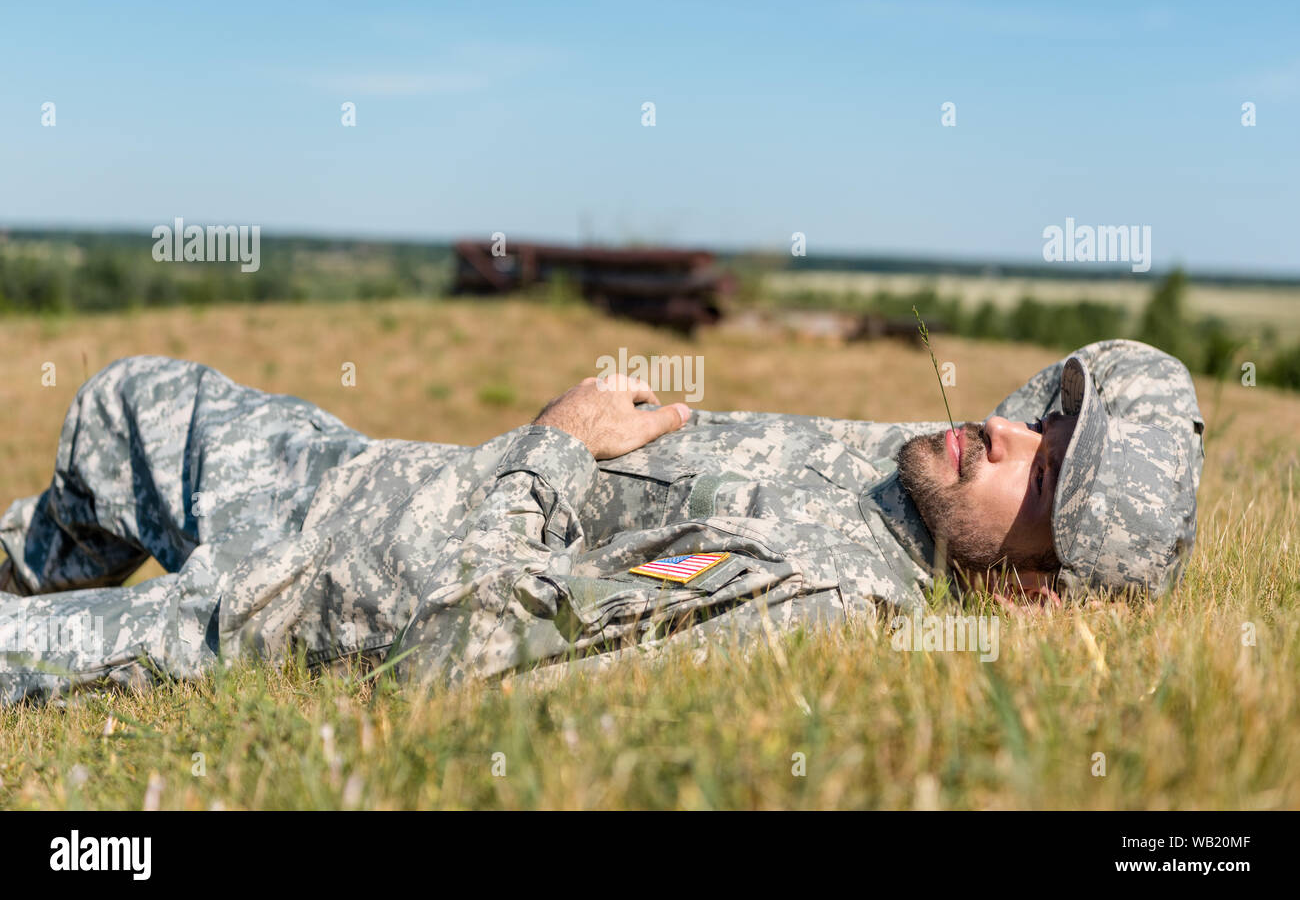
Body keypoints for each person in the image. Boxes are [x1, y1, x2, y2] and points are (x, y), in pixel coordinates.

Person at [0, 339, 1203, 705]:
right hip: (347, 481)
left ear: (1034, 591)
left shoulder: (816, 588)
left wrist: (557, 444)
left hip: (283, 607)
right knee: (124, 404)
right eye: (1045, 424)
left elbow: (462, 646)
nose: (1008, 439)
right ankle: (29, 569)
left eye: (1046, 486)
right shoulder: (918, 482)